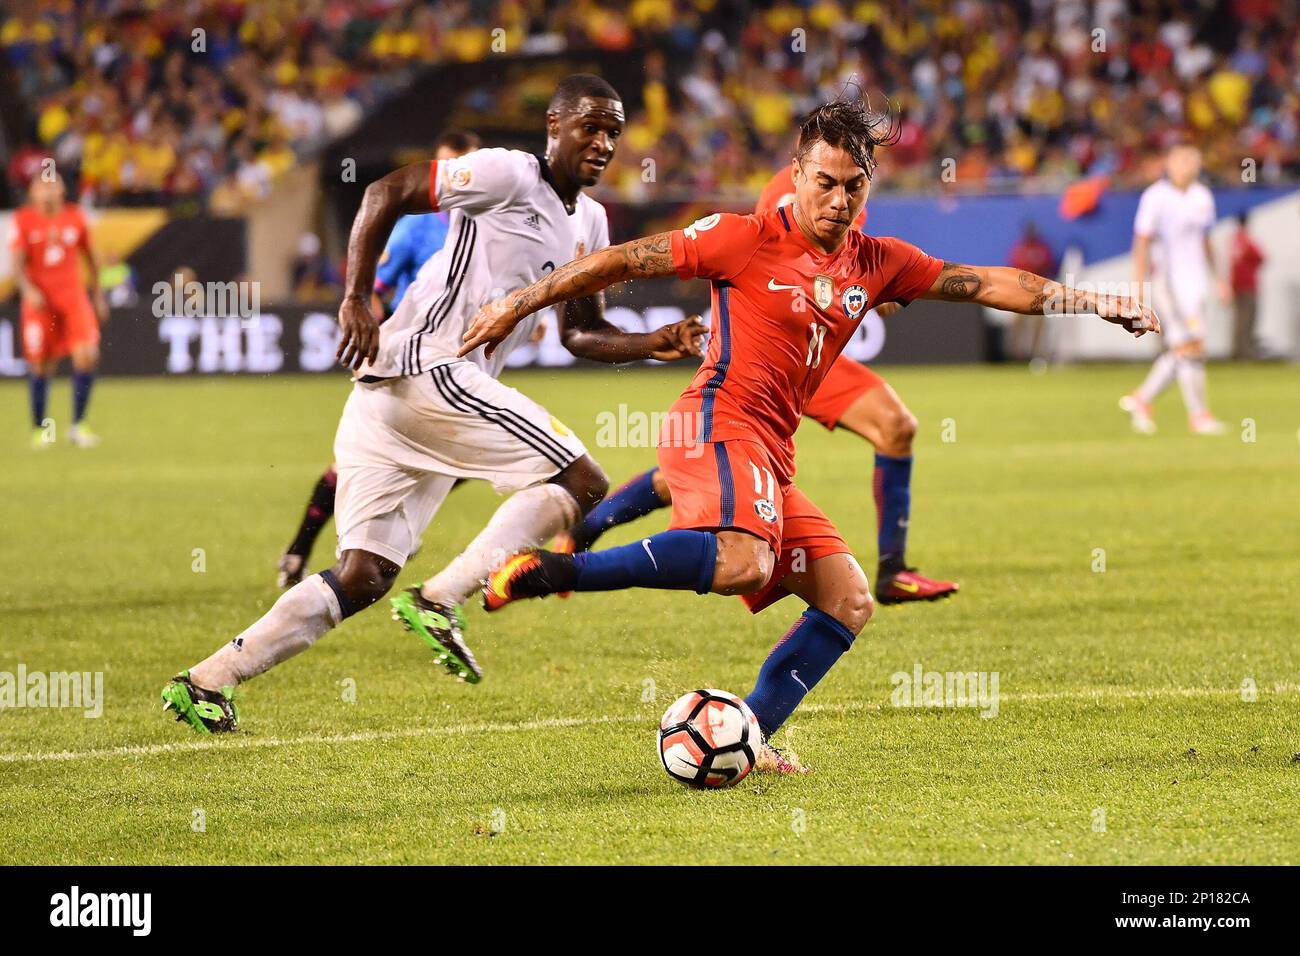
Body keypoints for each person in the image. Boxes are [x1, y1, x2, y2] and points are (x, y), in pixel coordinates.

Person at [458, 98, 1158, 771]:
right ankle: (553, 571)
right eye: (824, 182)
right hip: (717, 419)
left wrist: (1092, 301)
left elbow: (981, 285)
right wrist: (516, 305)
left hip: (771, 449)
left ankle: (750, 736)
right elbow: (620, 260)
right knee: (743, 561)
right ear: (795, 178)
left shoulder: (876, 262)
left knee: (849, 601)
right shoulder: (744, 237)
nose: (838, 200)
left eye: (854, 187)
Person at [161, 74, 705, 733]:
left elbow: (579, 332)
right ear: (554, 125)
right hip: (429, 366)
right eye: (589, 125)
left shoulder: (589, 220)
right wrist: (356, 295)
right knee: (584, 481)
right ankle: (443, 597)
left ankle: (205, 681)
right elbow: (386, 190)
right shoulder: (507, 172)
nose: (602, 141)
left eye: (613, 131)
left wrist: (659, 339)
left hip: (399, 396)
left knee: (362, 576)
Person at [560, 162, 959, 605]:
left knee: (712, 467)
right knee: (721, 464)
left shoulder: (845, 190)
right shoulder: (801, 189)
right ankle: (583, 537)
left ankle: (891, 571)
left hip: (813, 351)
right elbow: (792, 263)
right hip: (779, 350)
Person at [276, 130, 480, 590]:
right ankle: (300, 550)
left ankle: (391, 531)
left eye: (464, 169)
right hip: (407, 359)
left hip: (457, 364)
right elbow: (378, 290)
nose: (456, 180)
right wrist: (374, 332)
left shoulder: (490, 226)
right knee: (353, 466)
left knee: (468, 457)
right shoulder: (416, 226)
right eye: (447, 169)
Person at [1119, 144, 1227, 435]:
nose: (1187, 165)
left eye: (1193, 160)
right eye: (1181, 160)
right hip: (1170, 284)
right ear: (1168, 164)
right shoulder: (1156, 197)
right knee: (1188, 347)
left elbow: (1205, 241)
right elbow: (1141, 242)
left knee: (1190, 348)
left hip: (1196, 284)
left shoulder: (1202, 196)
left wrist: (1219, 278)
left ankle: (1141, 399)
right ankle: (1198, 416)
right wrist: (1138, 284)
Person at [9, 171, 107, 448]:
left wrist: (98, 295)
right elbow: (17, 262)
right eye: (43, 186)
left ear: (63, 189)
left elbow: (92, 258)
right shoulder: (23, 219)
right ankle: (41, 429)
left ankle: (79, 425)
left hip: (73, 298)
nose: (49, 191)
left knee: (87, 355)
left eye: (54, 185)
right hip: (40, 303)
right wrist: (28, 290)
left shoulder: (75, 217)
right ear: (33, 193)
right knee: (41, 365)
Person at [1006, 221, 1057, 364]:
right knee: (1017, 323)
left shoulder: (1042, 248)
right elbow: (1014, 268)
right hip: (1020, 290)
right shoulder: (1020, 248)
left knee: (1038, 324)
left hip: (1038, 291)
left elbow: (1048, 266)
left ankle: (1036, 356)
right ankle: (1014, 356)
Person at [1228, 212, 1264, 360]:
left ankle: (1238, 349)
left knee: (1239, 318)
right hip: (1248, 284)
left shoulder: (1234, 240)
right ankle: (1245, 351)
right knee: (1248, 318)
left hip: (1237, 284)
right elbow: (1261, 257)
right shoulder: (1247, 240)